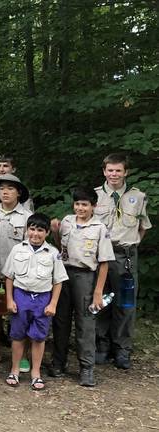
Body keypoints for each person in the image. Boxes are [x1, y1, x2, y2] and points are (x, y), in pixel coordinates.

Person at [50, 187, 114, 386]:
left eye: (85, 204)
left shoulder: (99, 228)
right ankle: (58, 362)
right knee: (60, 320)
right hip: (63, 274)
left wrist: (98, 292)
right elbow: (60, 247)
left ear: (93, 206)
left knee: (85, 322)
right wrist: (55, 232)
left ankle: (86, 367)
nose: (80, 208)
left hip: (85, 277)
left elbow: (104, 262)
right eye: (77, 204)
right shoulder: (67, 222)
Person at [94, 153, 151, 369]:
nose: (114, 174)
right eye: (110, 170)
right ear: (104, 172)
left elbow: (143, 227)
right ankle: (102, 345)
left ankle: (122, 348)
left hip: (125, 256)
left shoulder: (138, 197)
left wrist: (131, 245)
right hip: (101, 256)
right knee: (101, 300)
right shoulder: (95, 196)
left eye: (118, 170)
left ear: (126, 172)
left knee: (125, 303)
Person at [3, 214, 67, 390]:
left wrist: (53, 304)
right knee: (18, 335)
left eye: (40, 230)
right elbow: (9, 277)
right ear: (27, 230)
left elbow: (58, 281)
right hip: (20, 296)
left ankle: (35, 373)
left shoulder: (53, 253)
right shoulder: (17, 249)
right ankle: (15, 370)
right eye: (32, 229)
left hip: (42, 298)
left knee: (39, 337)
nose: (35, 234)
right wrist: (9, 299)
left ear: (47, 233)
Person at [0, 174, 32, 370]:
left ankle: (22, 355)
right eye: (2, 189)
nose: (5, 192)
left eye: (10, 188)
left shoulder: (27, 217)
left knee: (20, 315)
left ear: (18, 192)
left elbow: (30, 249)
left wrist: (18, 273)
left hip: (18, 277)